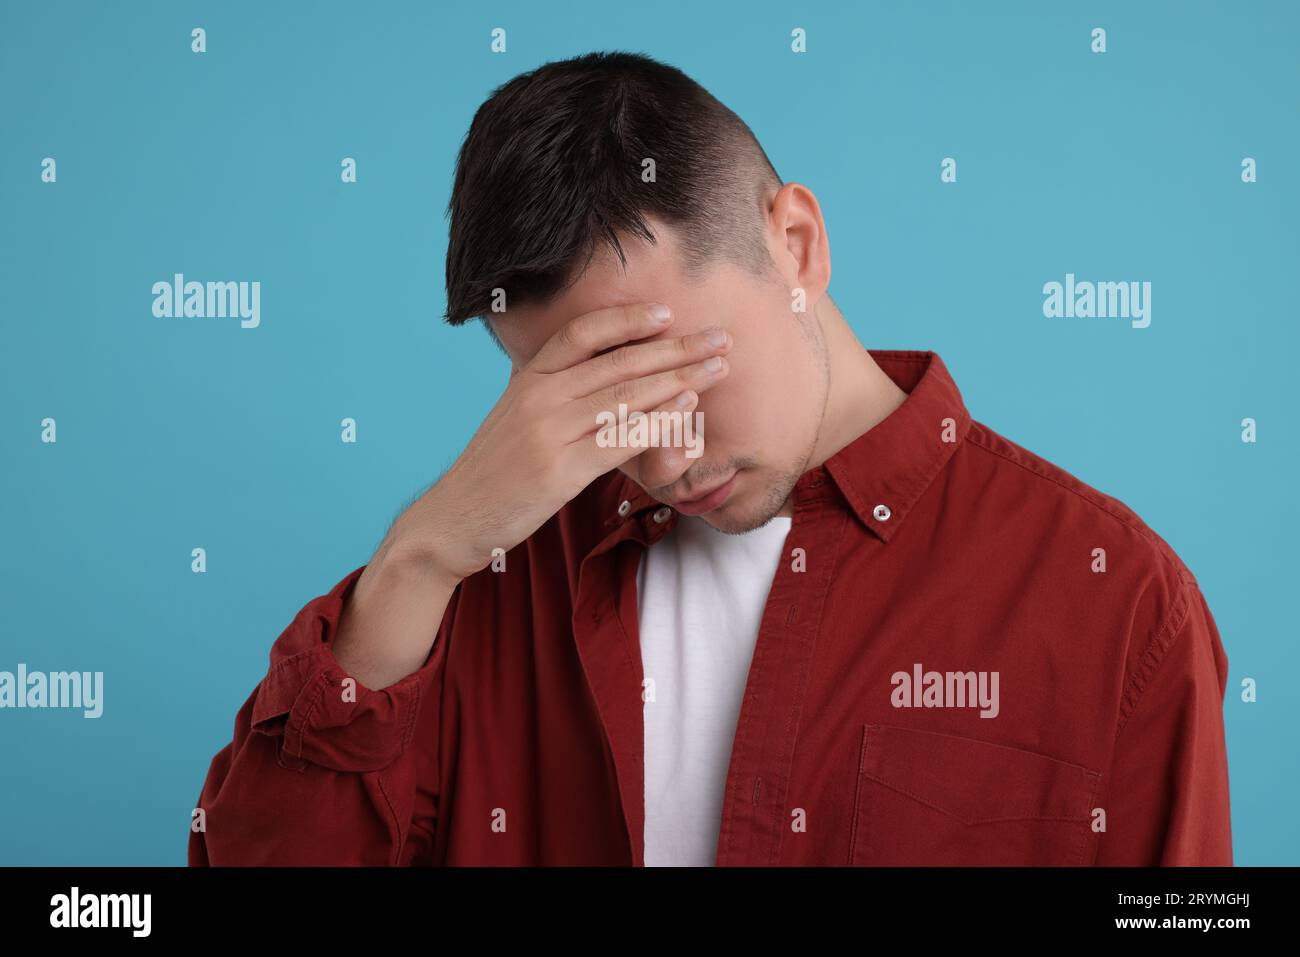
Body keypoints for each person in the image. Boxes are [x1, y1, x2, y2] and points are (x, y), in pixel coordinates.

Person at [189, 51, 1232, 866]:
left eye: (664, 369)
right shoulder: (478, 590)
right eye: (588, 395)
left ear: (795, 246)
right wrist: (419, 559)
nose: (653, 454)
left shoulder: (1117, 606)